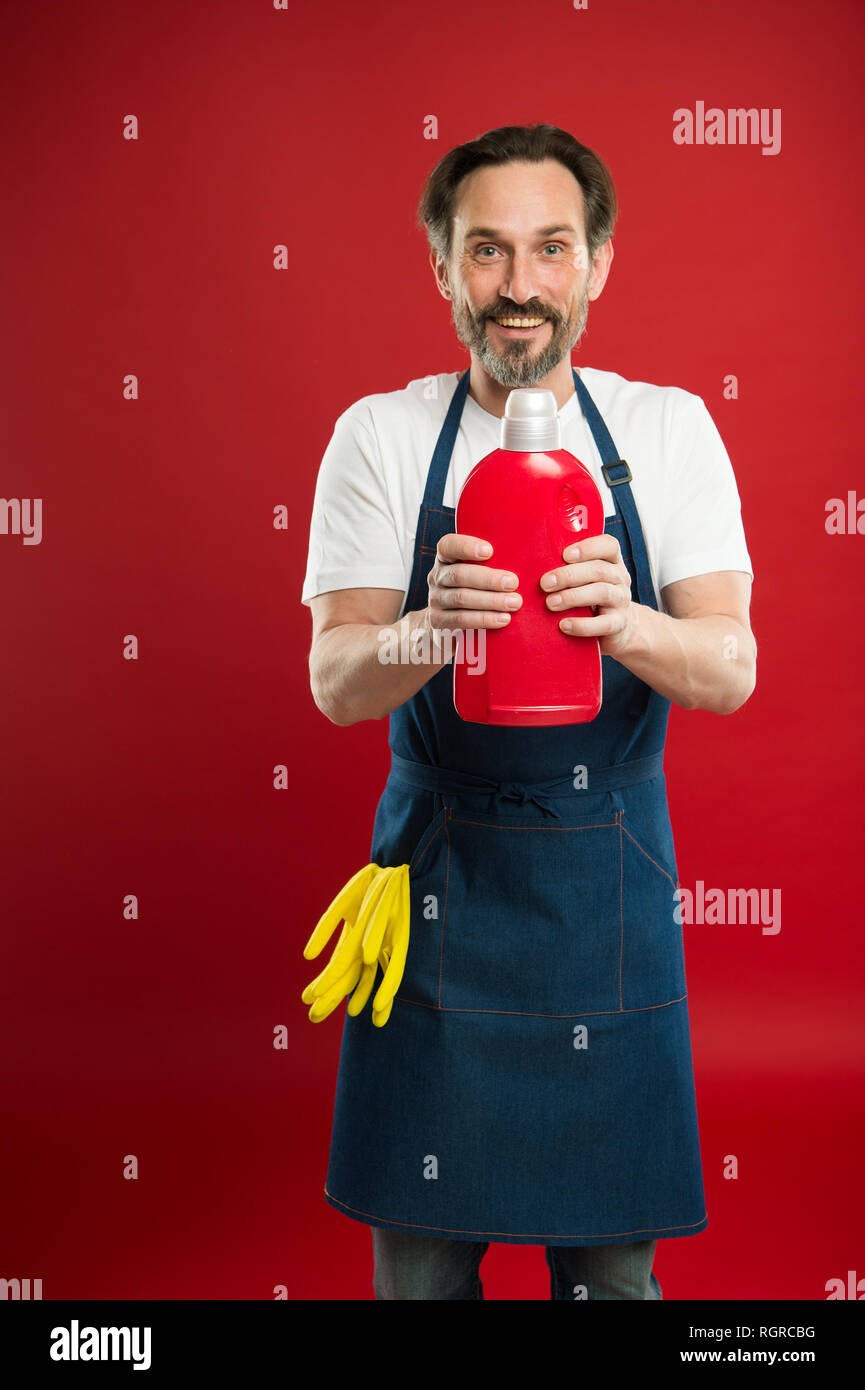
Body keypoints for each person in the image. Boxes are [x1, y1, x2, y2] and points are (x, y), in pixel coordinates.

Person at [301, 123, 756, 1301]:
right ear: (443, 269)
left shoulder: (666, 431)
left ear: (596, 262)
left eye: (550, 248)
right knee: (421, 1279)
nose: (518, 286)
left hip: (602, 898)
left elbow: (730, 666)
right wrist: (421, 629)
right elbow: (335, 682)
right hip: (435, 897)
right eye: (486, 250)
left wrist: (631, 624)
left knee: (611, 1285)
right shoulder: (381, 437)